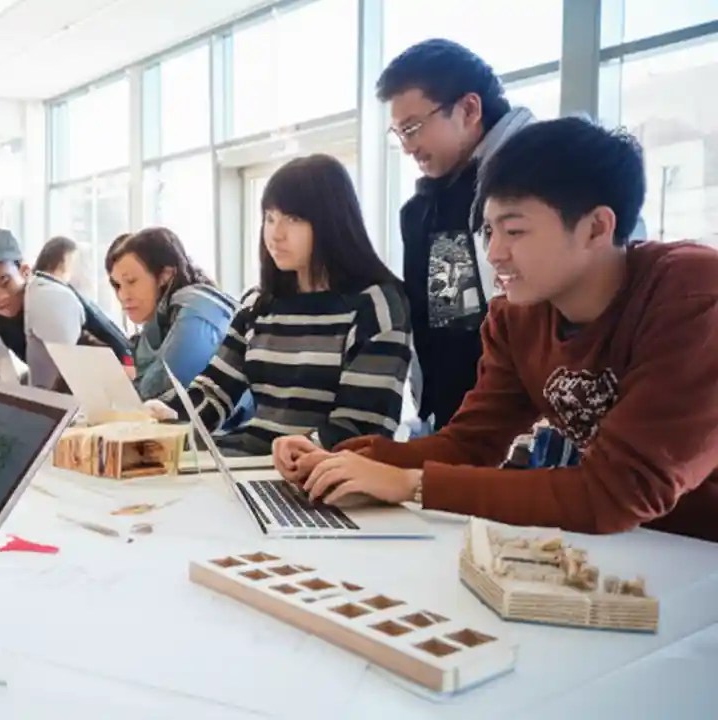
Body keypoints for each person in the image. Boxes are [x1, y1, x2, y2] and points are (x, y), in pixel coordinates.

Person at [278, 118, 718, 543]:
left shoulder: (693, 299)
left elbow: (618, 491)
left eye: (515, 231)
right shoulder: (516, 318)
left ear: (597, 227)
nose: (494, 253)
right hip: (630, 542)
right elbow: (471, 444)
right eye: (489, 231)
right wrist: (336, 461)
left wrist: (411, 484)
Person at [162, 154, 412, 456]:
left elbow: (360, 426)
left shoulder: (374, 305)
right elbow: (215, 391)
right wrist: (161, 419)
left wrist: (297, 455)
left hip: (319, 476)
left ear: (331, 222)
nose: (275, 234)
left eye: (293, 219)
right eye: (269, 217)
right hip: (248, 465)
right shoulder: (258, 305)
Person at [377, 39, 537, 434]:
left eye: (413, 128)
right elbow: (451, 318)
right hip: (460, 418)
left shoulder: (541, 178)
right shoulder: (435, 203)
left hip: (528, 420)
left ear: (468, 109)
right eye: (399, 133)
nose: (409, 146)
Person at [0, 228, 132, 389]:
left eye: (5, 281)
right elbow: (11, 383)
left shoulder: (47, 298)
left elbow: (57, 383)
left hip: (123, 381)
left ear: (25, 272)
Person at [105, 226, 238, 399]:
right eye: (117, 286)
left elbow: (156, 388)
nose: (123, 295)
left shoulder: (197, 307)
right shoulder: (157, 320)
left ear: (165, 275)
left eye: (131, 281)